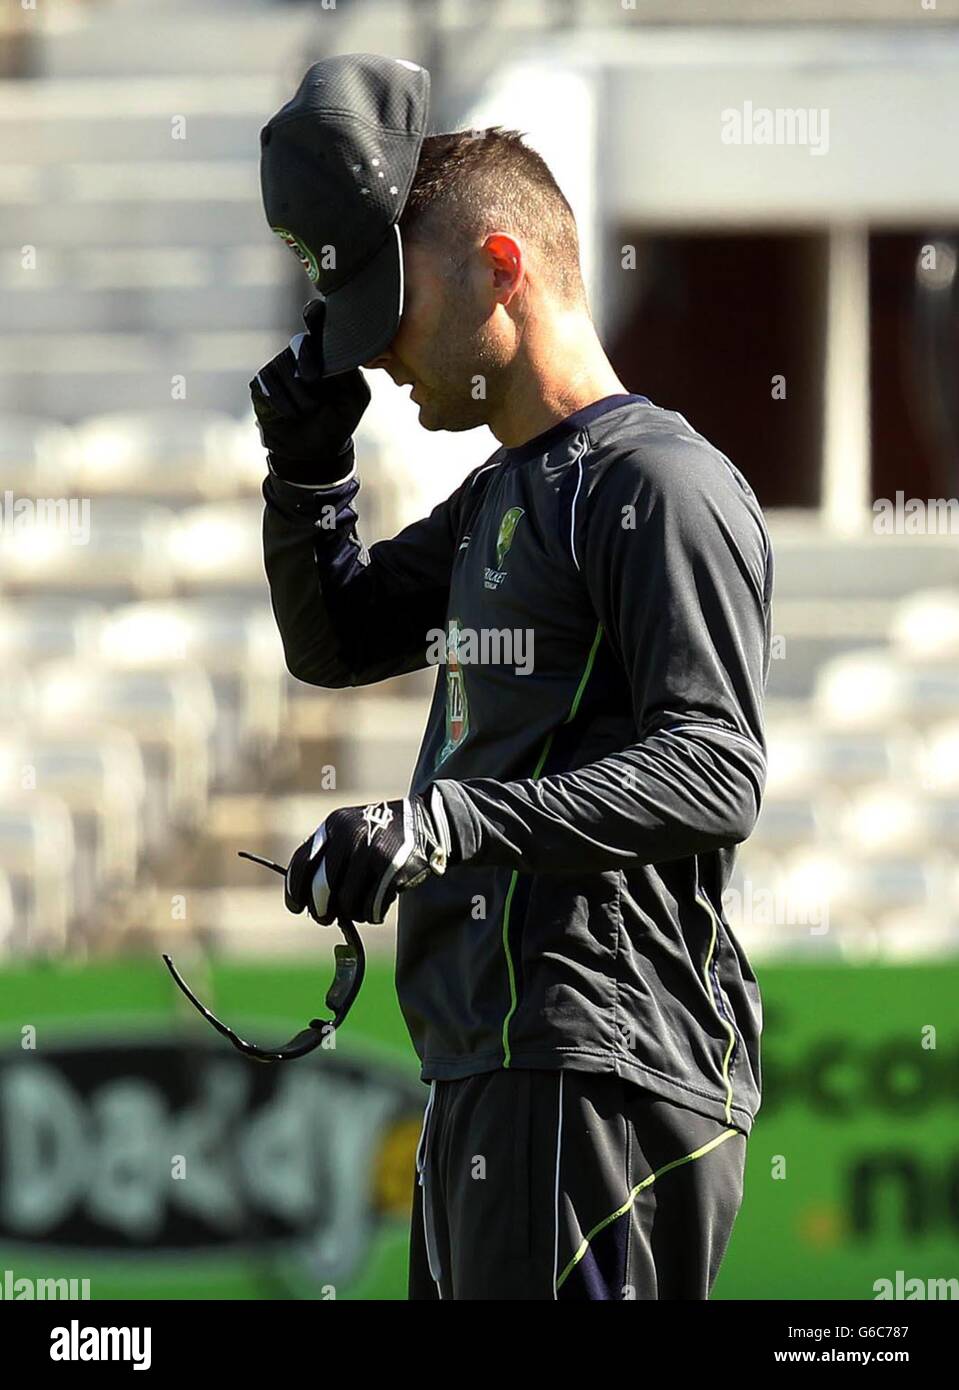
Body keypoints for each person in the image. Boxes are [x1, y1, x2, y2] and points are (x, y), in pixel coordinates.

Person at [252, 55, 773, 1300]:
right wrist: (307, 472)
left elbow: (715, 768)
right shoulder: (509, 490)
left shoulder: (657, 483)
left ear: (501, 268)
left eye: (398, 307)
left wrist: (440, 824)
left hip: (595, 1062)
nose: (378, 354)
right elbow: (335, 640)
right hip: (494, 1065)